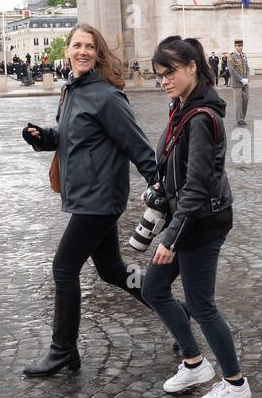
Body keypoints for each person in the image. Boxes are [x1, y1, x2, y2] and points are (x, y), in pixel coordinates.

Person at [20, 23, 159, 376]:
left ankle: (62, 350)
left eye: (89, 47)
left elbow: (137, 145)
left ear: (98, 54)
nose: (82, 51)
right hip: (85, 195)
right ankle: (179, 314)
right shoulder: (71, 90)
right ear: (66, 50)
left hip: (100, 198)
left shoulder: (107, 96)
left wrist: (161, 188)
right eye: (76, 45)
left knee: (64, 267)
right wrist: (43, 136)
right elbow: (71, 138)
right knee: (112, 270)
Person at [142, 37, 249, 398]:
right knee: (154, 289)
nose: (164, 80)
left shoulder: (202, 116)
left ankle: (235, 382)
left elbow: (199, 185)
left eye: (169, 72)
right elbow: (178, 166)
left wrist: (170, 238)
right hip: (186, 218)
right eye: (159, 75)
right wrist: (159, 186)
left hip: (201, 222)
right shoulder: (181, 106)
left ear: (191, 67)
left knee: (201, 304)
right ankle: (194, 363)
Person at [228, 38, 251, 127]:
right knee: (238, 101)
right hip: (237, 83)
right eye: (239, 46)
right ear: (235, 46)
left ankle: (243, 117)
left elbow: (247, 68)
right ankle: (239, 119)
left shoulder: (244, 55)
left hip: (245, 82)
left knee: (246, 99)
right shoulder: (231, 56)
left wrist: (247, 78)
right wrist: (241, 79)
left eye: (241, 46)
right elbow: (232, 70)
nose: (241, 48)